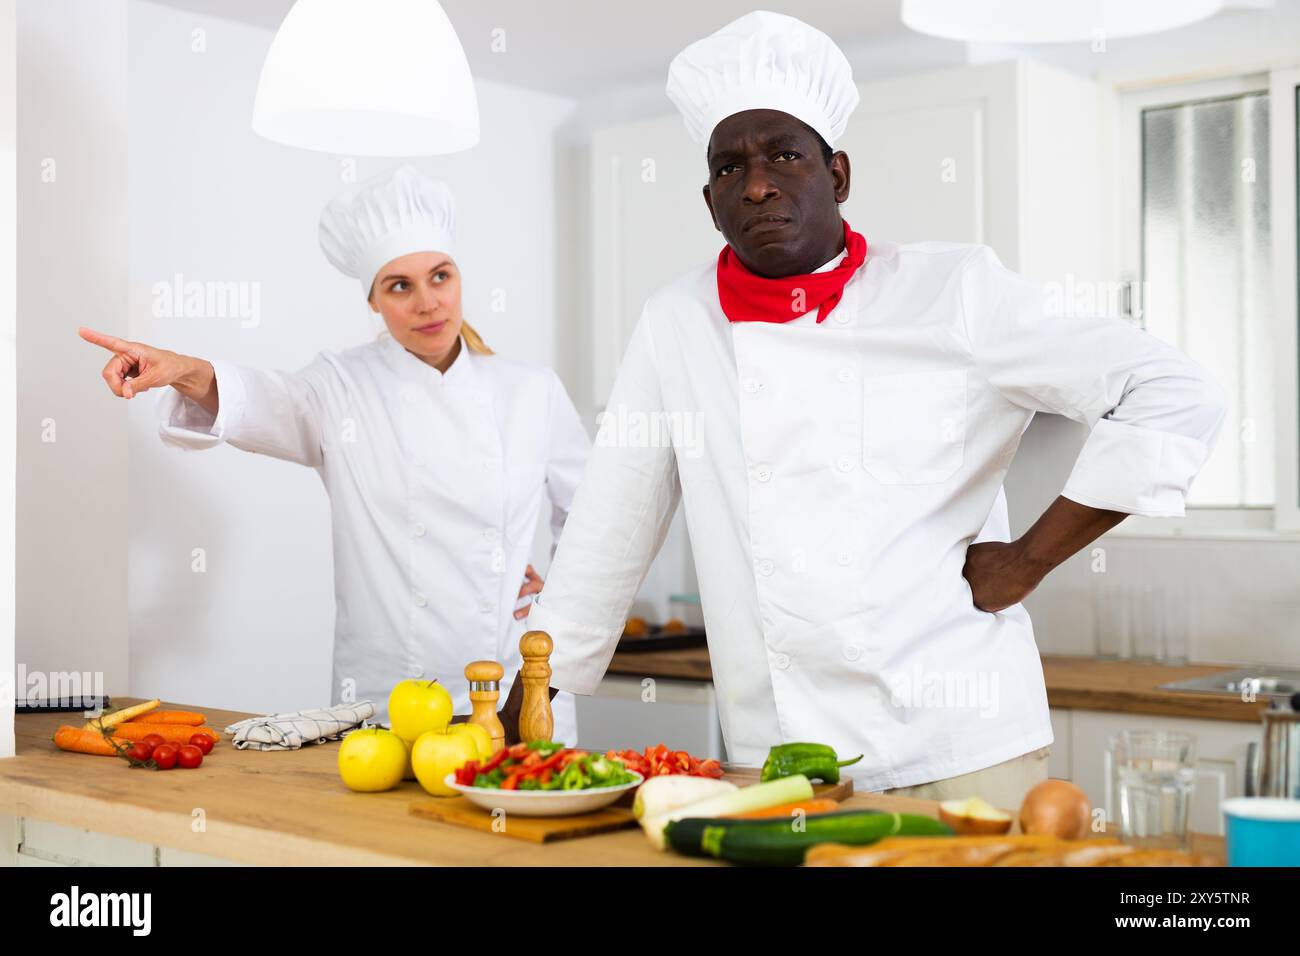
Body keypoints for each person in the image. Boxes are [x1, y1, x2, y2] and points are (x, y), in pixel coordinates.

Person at [515, 11, 1226, 807]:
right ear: (709, 200)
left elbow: (1172, 392)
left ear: (839, 174)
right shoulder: (675, 321)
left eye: (784, 153)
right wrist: (530, 694)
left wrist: (1026, 560)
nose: (756, 183)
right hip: (782, 756)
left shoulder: (953, 292)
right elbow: (610, 527)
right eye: (729, 167)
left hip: (961, 744)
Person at [81, 166, 589, 743]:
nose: (427, 302)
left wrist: (559, 597)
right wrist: (181, 368)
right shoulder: (340, 386)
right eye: (399, 286)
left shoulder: (531, 390)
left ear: (459, 278)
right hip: (387, 698)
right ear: (373, 300)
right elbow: (261, 400)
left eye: (440, 276)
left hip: (515, 690)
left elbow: (594, 518)